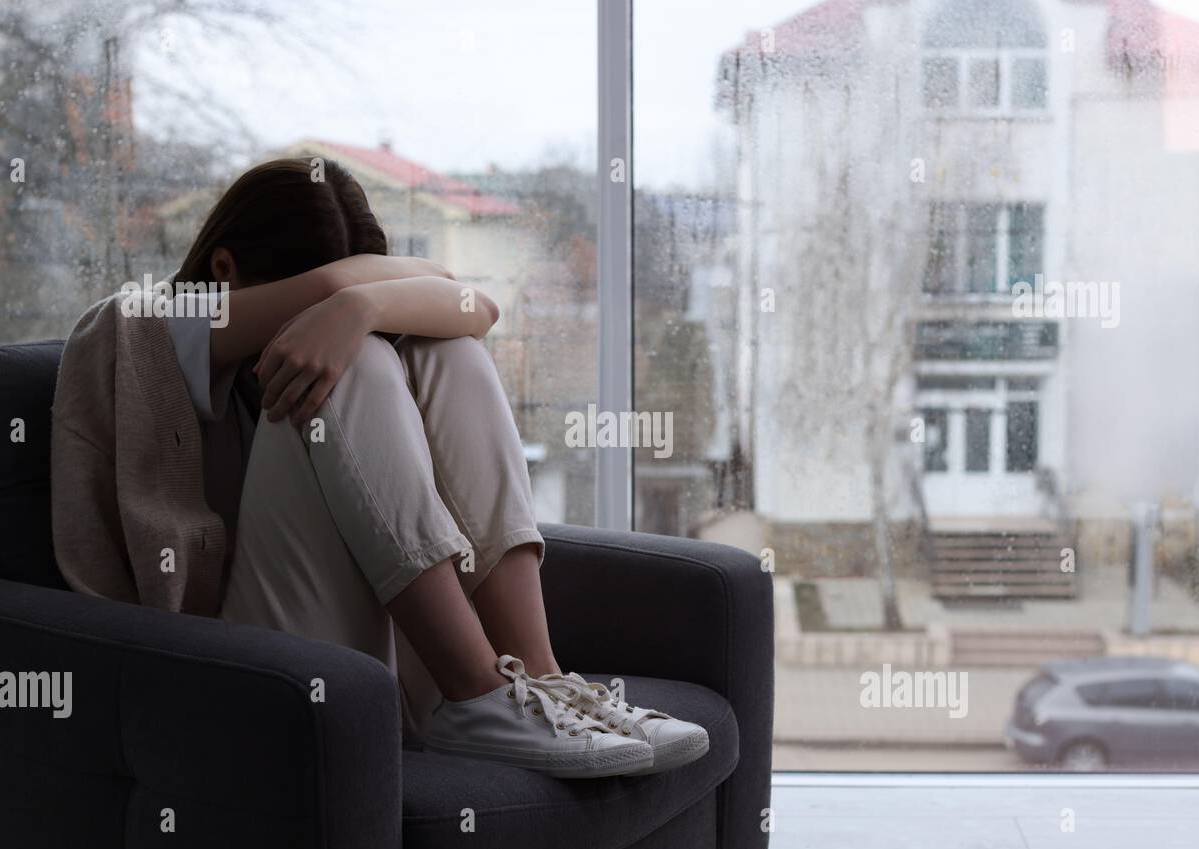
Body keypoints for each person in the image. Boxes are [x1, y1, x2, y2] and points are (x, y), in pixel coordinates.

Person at [50, 157, 708, 778]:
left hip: (365, 647)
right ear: (225, 268)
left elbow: (474, 306)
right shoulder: (150, 323)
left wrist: (363, 307)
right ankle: (473, 686)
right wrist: (350, 305)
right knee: (354, 364)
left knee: (449, 349)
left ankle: (539, 681)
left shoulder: (343, 312)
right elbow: (357, 291)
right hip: (237, 664)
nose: (340, 313)